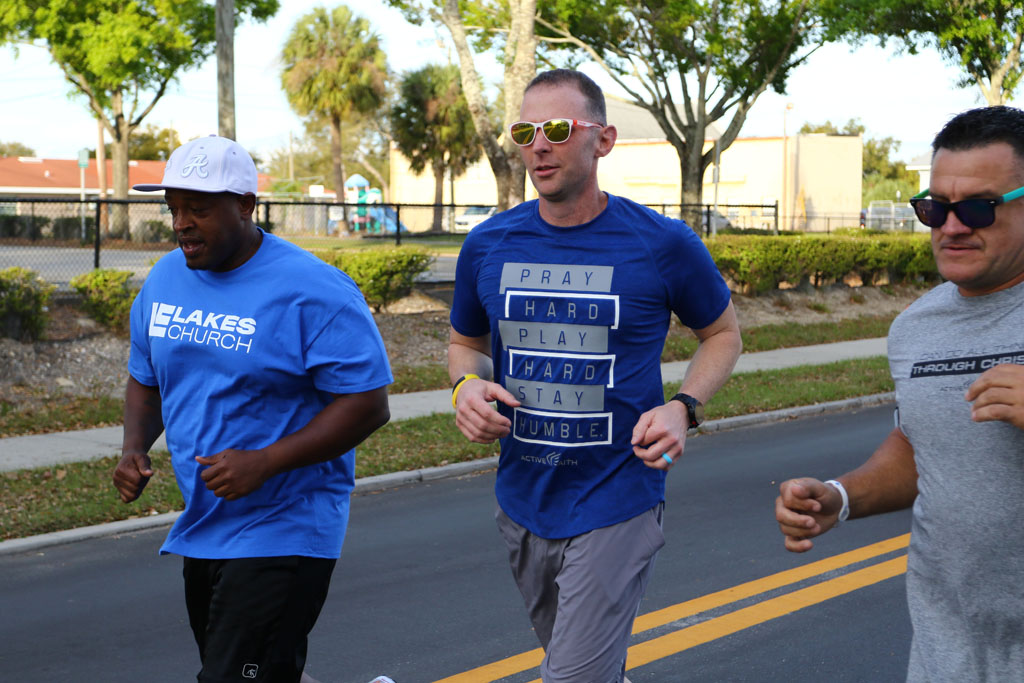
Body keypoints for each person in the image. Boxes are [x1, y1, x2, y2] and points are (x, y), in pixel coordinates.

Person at [448, 69, 742, 682]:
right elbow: (464, 343)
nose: (538, 145)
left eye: (557, 128)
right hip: (522, 498)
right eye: (525, 131)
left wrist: (683, 406)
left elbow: (722, 334)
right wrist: (465, 386)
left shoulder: (661, 243)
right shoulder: (488, 244)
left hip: (618, 496)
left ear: (602, 140)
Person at [112, 135, 393, 683]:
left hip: (286, 523)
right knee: (261, 671)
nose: (181, 223)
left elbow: (367, 404)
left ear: (245, 205)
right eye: (173, 208)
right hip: (208, 519)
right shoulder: (167, 277)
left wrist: (264, 462)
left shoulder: (314, 290)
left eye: (198, 208)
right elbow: (146, 378)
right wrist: (132, 449)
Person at [775, 105, 1024, 681]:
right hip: (949, 656)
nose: (953, 227)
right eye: (935, 208)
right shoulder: (915, 329)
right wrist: (840, 496)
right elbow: (923, 445)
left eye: (979, 209)